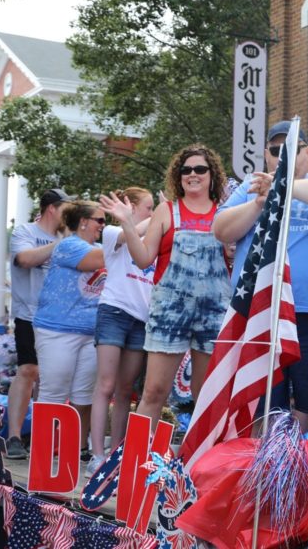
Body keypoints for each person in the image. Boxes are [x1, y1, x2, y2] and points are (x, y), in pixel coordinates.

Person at [212, 120, 308, 433]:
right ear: (266, 154)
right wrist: (262, 202)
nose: (282, 155)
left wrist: (284, 186)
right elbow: (221, 230)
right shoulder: (251, 186)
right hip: (261, 310)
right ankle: (265, 472)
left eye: (291, 149)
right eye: (276, 150)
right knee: (261, 401)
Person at [101, 144, 230, 428]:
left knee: (206, 396)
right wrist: (126, 223)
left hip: (214, 313)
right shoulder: (166, 210)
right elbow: (144, 257)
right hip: (169, 313)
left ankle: (201, 465)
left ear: (212, 175)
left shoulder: (226, 212)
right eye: (186, 170)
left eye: (200, 169)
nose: (192, 175)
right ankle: (140, 464)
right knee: (153, 392)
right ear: (178, 175)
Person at [87, 187, 156, 473]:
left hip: (141, 319)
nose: (153, 213)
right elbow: (133, 229)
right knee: (105, 385)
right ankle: (97, 454)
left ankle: (117, 453)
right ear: (131, 207)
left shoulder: (154, 239)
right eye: (150, 207)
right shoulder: (113, 233)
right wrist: (166, 212)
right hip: (114, 312)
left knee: (126, 390)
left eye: (155, 209)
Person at [32, 200, 106, 459]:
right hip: (57, 329)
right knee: (54, 392)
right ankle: (41, 455)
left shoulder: (101, 246)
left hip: (91, 331)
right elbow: (96, 260)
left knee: (83, 396)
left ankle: (71, 454)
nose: (103, 227)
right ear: (83, 222)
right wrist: (133, 232)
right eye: (100, 220)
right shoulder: (68, 246)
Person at [5, 188, 73, 460]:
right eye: (66, 209)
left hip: (58, 318)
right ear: (52, 209)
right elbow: (24, 259)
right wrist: (62, 244)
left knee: (51, 378)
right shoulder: (24, 232)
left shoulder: (66, 238)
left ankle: (42, 436)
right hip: (29, 313)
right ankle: (13, 435)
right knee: (29, 370)